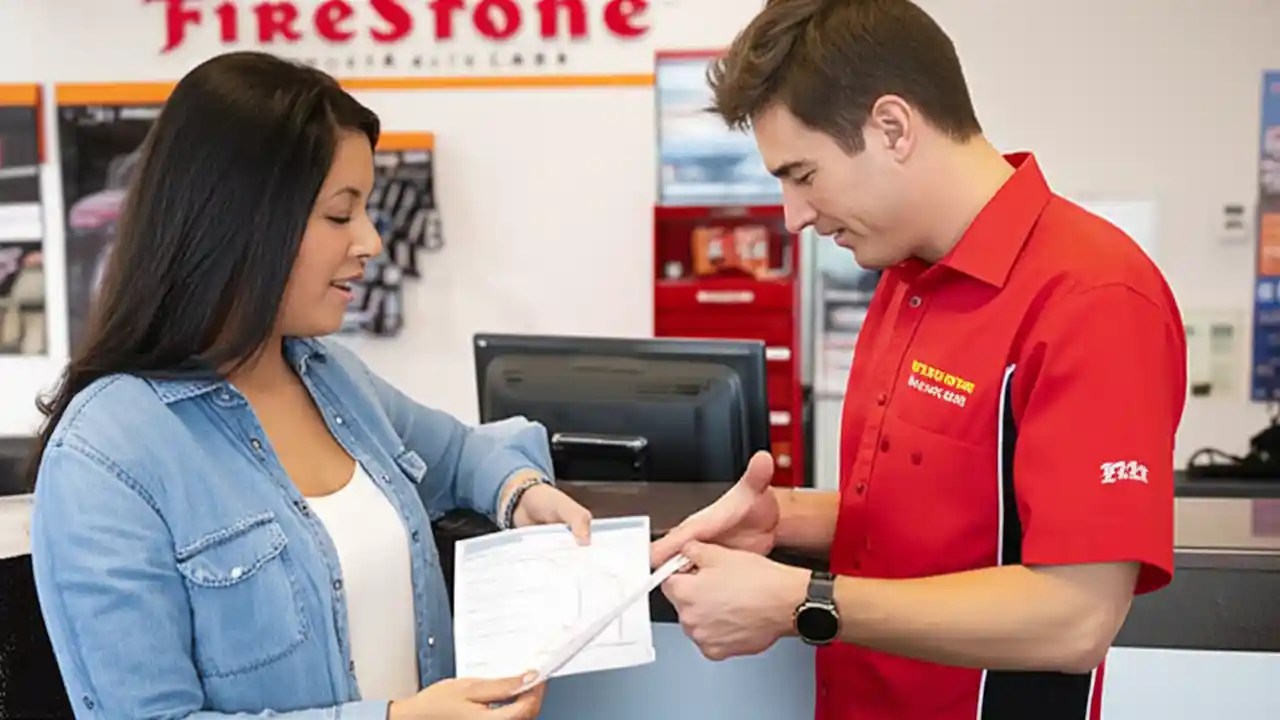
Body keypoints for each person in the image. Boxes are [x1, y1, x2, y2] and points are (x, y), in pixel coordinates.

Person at [650, 1, 1186, 719]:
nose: (793, 215)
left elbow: (1077, 617)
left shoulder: (1092, 297)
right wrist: (786, 519)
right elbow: (945, 515)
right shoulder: (905, 277)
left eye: (803, 173)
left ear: (892, 128)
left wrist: (805, 602)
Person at [27, 51, 592, 720]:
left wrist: (519, 494)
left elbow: (461, 455)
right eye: (338, 215)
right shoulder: (106, 457)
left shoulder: (330, 378)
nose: (371, 241)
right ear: (241, 218)